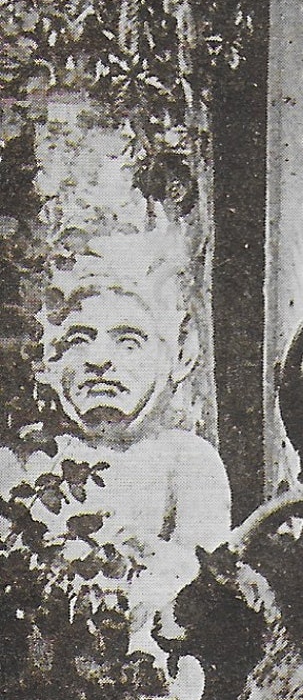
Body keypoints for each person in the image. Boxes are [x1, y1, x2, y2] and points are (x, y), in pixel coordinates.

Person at [0, 227, 232, 657]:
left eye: (127, 341)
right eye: (79, 340)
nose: (98, 359)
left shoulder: (185, 461)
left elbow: (201, 581)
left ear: (179, 355)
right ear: (50, 361)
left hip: (151, 663)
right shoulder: (23, 463)